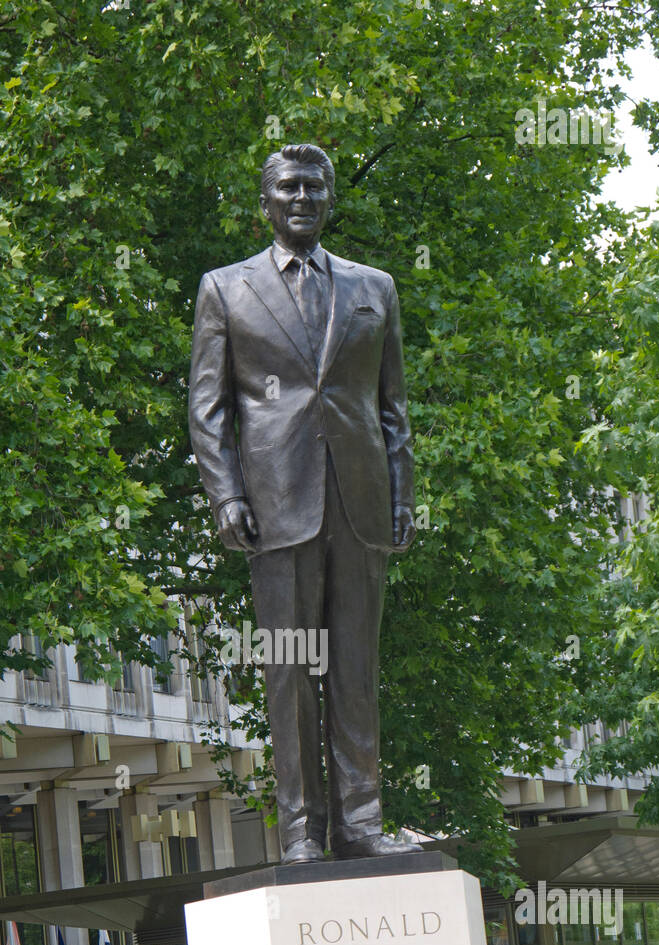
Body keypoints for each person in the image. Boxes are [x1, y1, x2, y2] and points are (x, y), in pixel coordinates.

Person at [189, 143, 417, 863]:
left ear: (329, 198)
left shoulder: (373, 287)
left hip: (361, 503)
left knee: (355, 667)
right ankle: (300, 832)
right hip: (275, 504)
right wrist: (225, 494)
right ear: (267, 200)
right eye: (288, 187)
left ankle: (361, 822)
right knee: (289, 672)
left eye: (315, 187)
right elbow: (208, 407)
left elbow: (393, 409)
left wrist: (402, 496)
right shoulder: (226, 289)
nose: (302, 198)